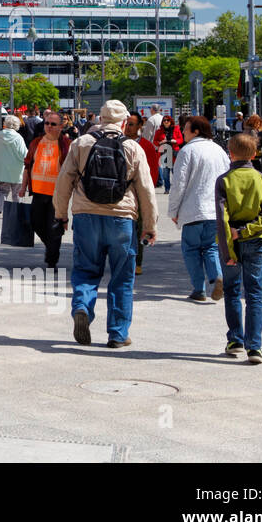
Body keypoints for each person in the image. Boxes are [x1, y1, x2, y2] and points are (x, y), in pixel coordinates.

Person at [53, 100, 157, 349]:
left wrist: (61, 215)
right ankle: (118, 333)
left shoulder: (81, 143)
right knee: (122, 276)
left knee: (86, 269)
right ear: (123, 122)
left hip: (86, 215)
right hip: (122, 218)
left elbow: (63, 181)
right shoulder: (133, 147)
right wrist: (149, 225)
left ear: (100, 118)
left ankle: (82, 306)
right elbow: (146, 189)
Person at [214, 132, 262, 363]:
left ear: (230, 152)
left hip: (231, 242)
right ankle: (255, 346)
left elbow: (222, 218)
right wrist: (249, 230)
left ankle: (235, 339)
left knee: (231, 290)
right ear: (254, 153)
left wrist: (228, 249)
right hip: (256, 240)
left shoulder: (224, 180)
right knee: (255, 294)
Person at [167, 116, 231, 302]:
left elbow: (178, 184)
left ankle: (199, 288)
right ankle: (216, 275)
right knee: (211, 247)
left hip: (193, 209)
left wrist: (174, 211)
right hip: (215, 210)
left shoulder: (187, 151)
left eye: (186, 129)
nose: (183, 132)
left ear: (196, 131)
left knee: (191, 250)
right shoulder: (219, 150)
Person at [19, 112, 72, 270]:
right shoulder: (36, 142)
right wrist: (23, 187)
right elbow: (28, 166)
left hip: (57, 194)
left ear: (61, 126)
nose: (48, 126)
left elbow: (72, 169)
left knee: (53, 227)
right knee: (35, 223)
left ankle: (52, 260)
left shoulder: (66, 144)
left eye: (53, 124)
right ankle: (52, 245)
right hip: (38, 191)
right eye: (47, 123)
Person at [124, 112, 160, 275]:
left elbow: (153, 172)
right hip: (121, 194)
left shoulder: (146, 146)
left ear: (140, 126)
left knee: (138, 228)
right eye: (126, 123)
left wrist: (146, 192)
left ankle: (137, 261)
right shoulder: (118, 142)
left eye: (131, 124)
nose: (127, 127)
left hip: (139, 193)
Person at [0, 115, 26, 220]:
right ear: (16, 125)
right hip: (16, 170)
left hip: (1, 170)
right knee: (16, 193)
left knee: (2, 191)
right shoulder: (18, 138)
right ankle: (17, 212)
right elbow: (24, 154)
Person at [153, 115, 184, 193]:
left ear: (171, 121)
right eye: (164, 121)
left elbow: (181, 139)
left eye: (168, 120)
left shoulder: (176, 129)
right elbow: (155, 141)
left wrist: (175, 141)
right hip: (165, 152)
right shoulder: (159, 131)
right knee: (165, 172)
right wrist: (160, 142)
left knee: (175, 171)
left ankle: (176, 189)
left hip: (174, 151)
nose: (166, 122)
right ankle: (167, 189)